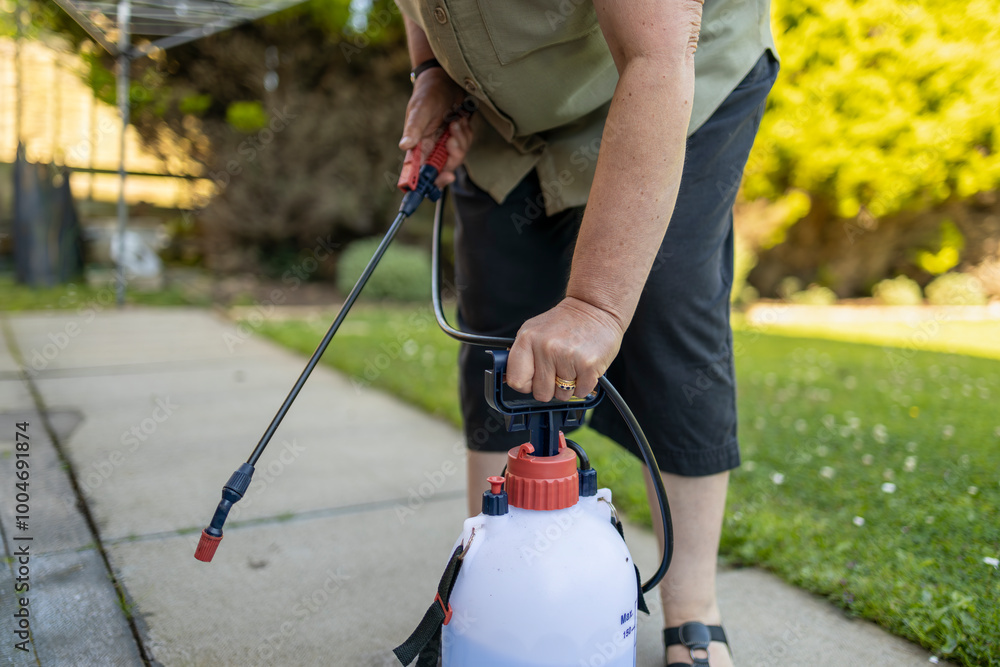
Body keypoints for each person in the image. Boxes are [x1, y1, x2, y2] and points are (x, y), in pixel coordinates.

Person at [395, 1, 777, 665]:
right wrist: (432, 71)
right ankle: (490, 571)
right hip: (509, 116)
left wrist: (598, 305)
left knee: (665, 295)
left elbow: (656, 57)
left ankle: (692, 607)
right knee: (498, 317)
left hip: (667, 72)